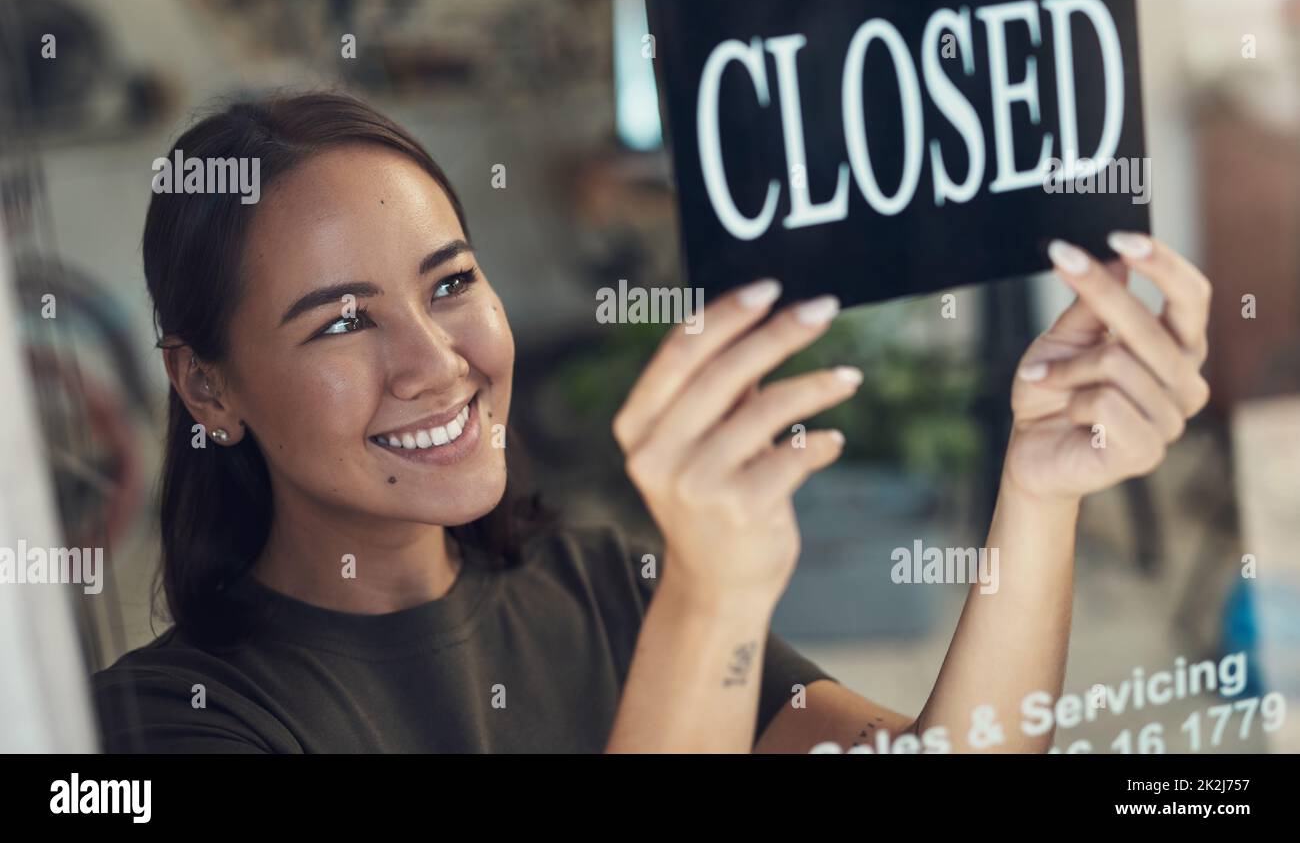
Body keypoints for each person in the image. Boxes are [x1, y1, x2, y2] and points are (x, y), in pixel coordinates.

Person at [92, 90, 1213, 753]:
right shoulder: (165, 725)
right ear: (206, 389)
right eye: (341, 322)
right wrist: (713, 599)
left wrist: (1041, 488)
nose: (436, 363)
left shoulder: (596, 588)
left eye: (448, 285)